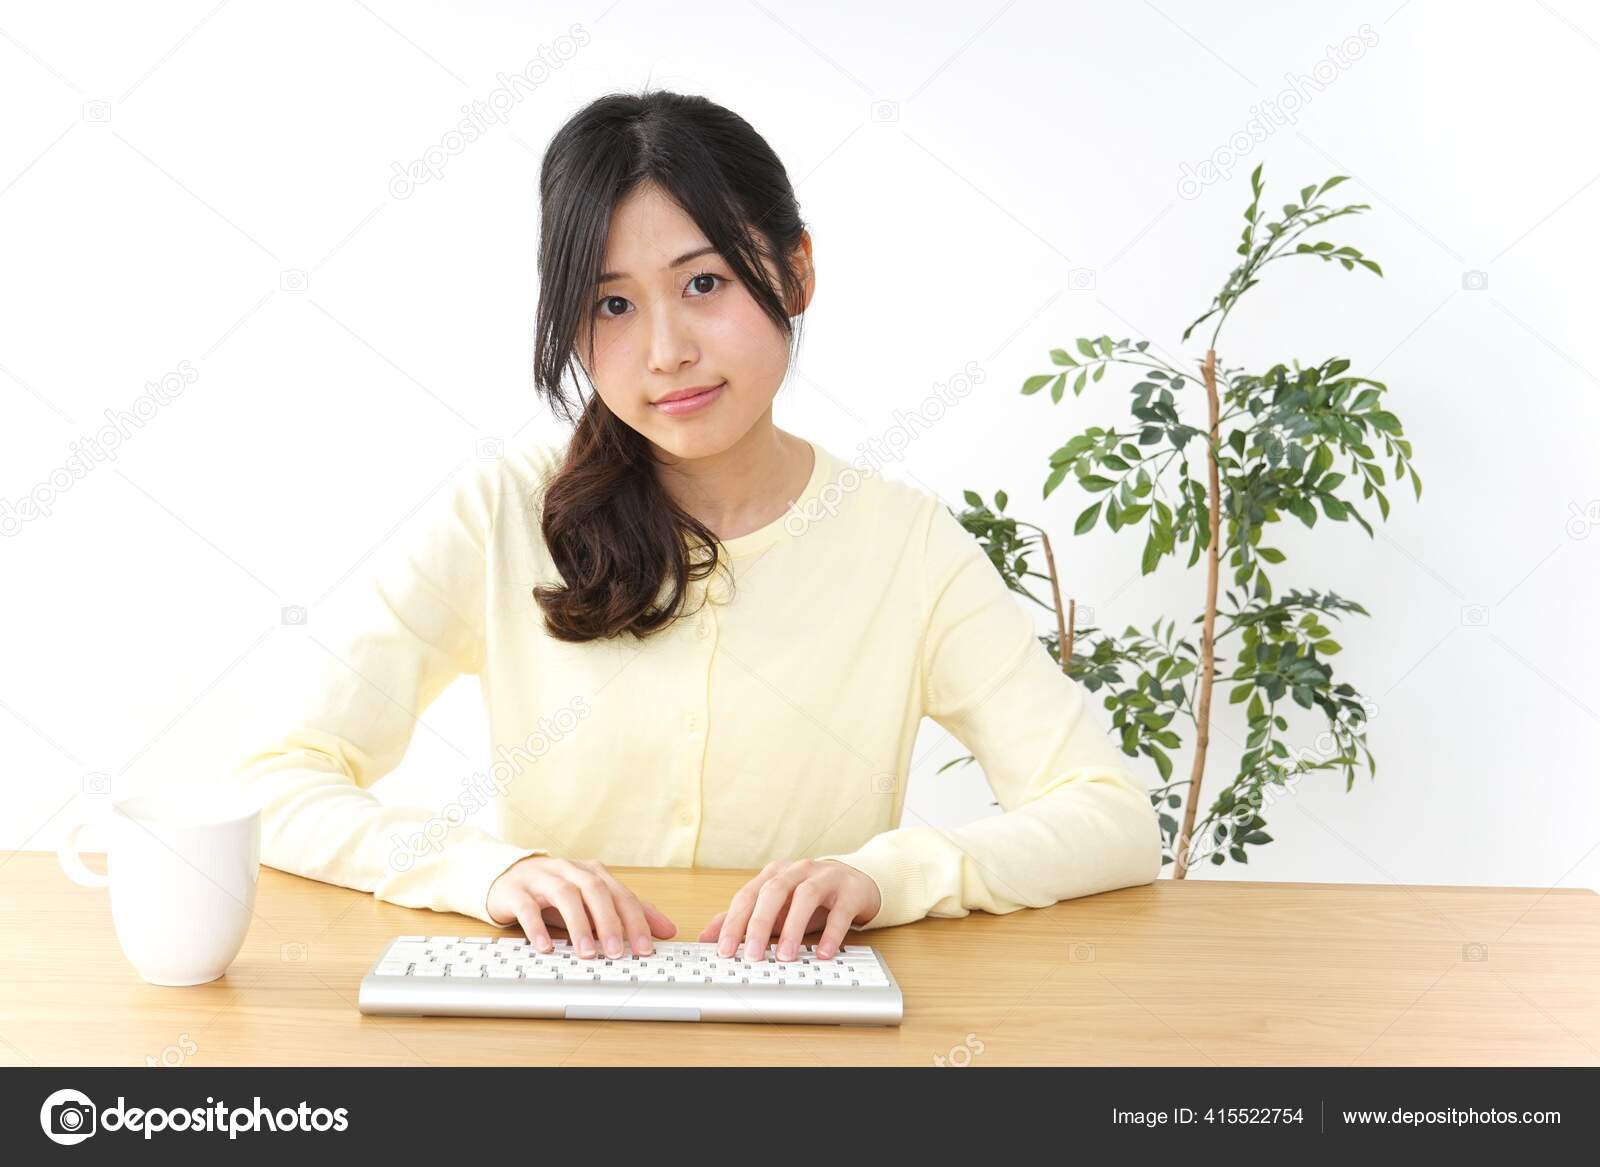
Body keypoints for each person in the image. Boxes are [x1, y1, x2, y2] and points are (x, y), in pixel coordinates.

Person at [233, 88, 1159, 968]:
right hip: (556, 1022)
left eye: (705, 281)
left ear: (796, 272)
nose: (666, 349)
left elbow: (1111, 817)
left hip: (803, 1031)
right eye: (613, 305)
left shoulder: (904, 545)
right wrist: (488, 871)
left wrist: (884, 875)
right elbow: (274, 783)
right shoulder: (502, 516)